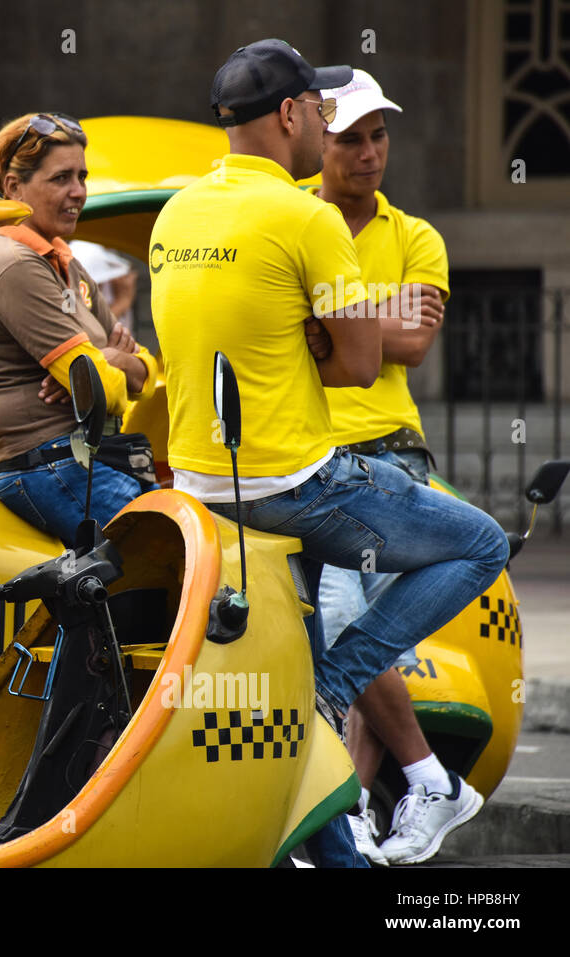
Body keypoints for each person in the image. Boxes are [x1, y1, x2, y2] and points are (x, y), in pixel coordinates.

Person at [147, 39, 509, 867]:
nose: (336, 130)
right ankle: (335, 691)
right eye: (324, 113)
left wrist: (283, 330)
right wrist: (311, 331)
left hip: (206, 487)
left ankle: (333, 840)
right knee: (482, 541)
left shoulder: (179, 212)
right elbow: (354, 362)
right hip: (299, 483)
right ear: (290, 115)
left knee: (306, 649)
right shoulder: (305, 218)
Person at [312, 69, 482, 866]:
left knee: (352, 635)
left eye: (380, 135)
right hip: (313, 462)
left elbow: (413, 346)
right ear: (317, 140)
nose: (371, 152)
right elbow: (379, 330)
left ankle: (351, 812)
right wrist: (374, 318)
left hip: (392, 457)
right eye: (352, 137)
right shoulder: (294, 221)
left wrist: (331, 322)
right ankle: (397, 797)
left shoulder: (417, 235)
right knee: (359, 641)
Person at [0, 113, 159, 544]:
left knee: (178, 570)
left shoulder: (62, 260)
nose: (79, 192)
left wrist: (111, 360)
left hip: (85, 459)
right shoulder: (13, 264)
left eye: (82, 176)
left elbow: (150, 370)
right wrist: (104, 367)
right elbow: (102, 392)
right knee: (164, 568)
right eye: (61, 178)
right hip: (48, 466)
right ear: (13, 188)